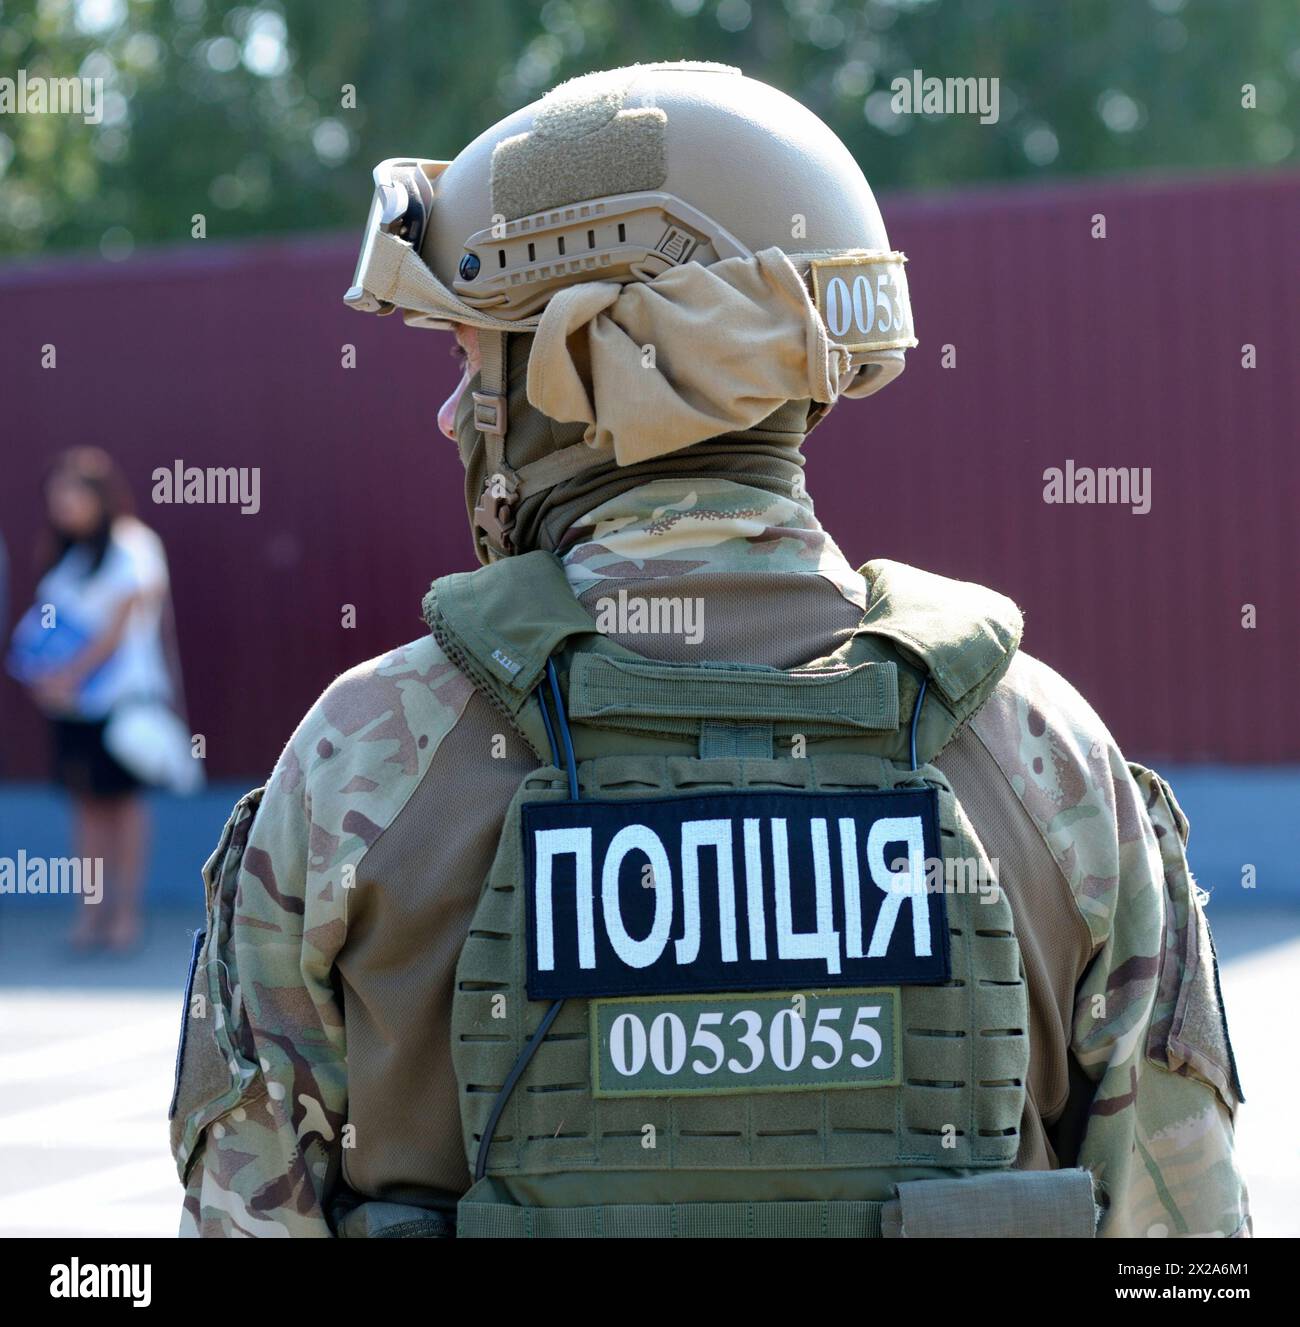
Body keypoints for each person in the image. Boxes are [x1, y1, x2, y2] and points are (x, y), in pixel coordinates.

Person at [171, 63, 1248, 1238]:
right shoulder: (1046, 753)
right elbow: (1184, 1230)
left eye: (473, 358)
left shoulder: (365, 758)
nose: (449, 414)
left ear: (591, 359)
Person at [13, 448, 172, 952]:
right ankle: (91, 915)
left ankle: (125, 916)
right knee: (86, 809)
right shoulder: (67, 557)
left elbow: (120, 626)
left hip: (120, 703)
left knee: (124, 806)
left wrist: (68, 673)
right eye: (56, 494)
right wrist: (42, 674)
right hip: (73, 708)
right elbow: (45, 626)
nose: (63, 503)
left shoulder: (133, 545)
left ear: (101, 495)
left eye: (74, 492)